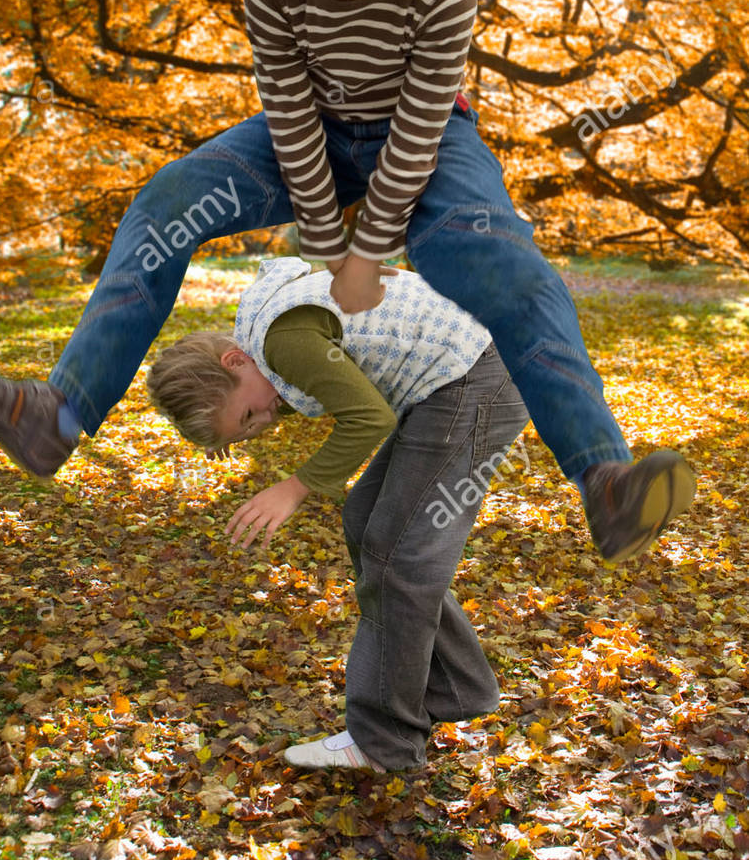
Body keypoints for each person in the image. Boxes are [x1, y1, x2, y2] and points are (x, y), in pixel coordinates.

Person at [0, 0, 696, 565]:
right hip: (314, 136)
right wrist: (329, 247)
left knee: (502, 265)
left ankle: (605, 480)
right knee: (169, 202)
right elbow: (293, 116)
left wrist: (368, 255)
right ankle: (57, 415)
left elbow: (414, 130)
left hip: (428, 140)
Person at [147, 256, 530, 771]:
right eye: (247, 432)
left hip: (480, 377)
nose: (265, 422)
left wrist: (295, 487)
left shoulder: (283, 345)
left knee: (401, 562)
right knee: (366, 523)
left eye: (247, 415)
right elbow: (294, 262)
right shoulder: (256, 327)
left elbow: (368, 416)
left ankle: (383, 743)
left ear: (233, 362)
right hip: (457, 377)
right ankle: (457, 686)